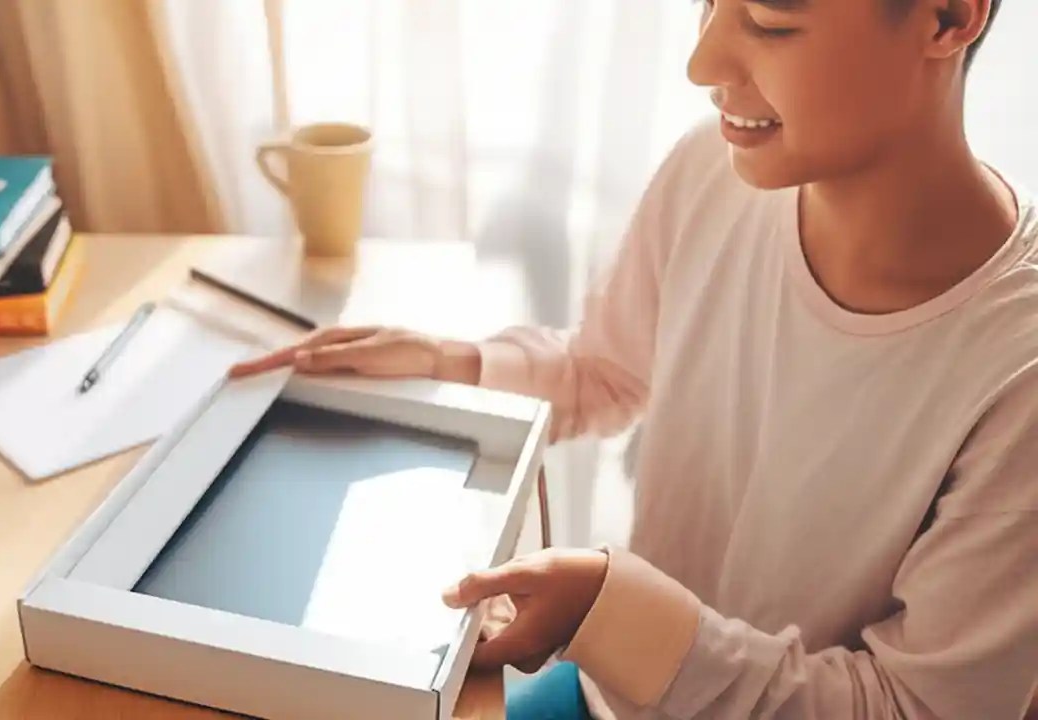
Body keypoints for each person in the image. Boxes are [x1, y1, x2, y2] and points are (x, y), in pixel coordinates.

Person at [232, 0, 1038, 717]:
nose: (702, 62)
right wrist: (450, 361)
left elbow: (917, 708)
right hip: (606, 693)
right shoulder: (714, 172)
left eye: (769, 21)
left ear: (947, 18)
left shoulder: (1018, 368)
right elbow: (607, 372)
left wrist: (616, 615)